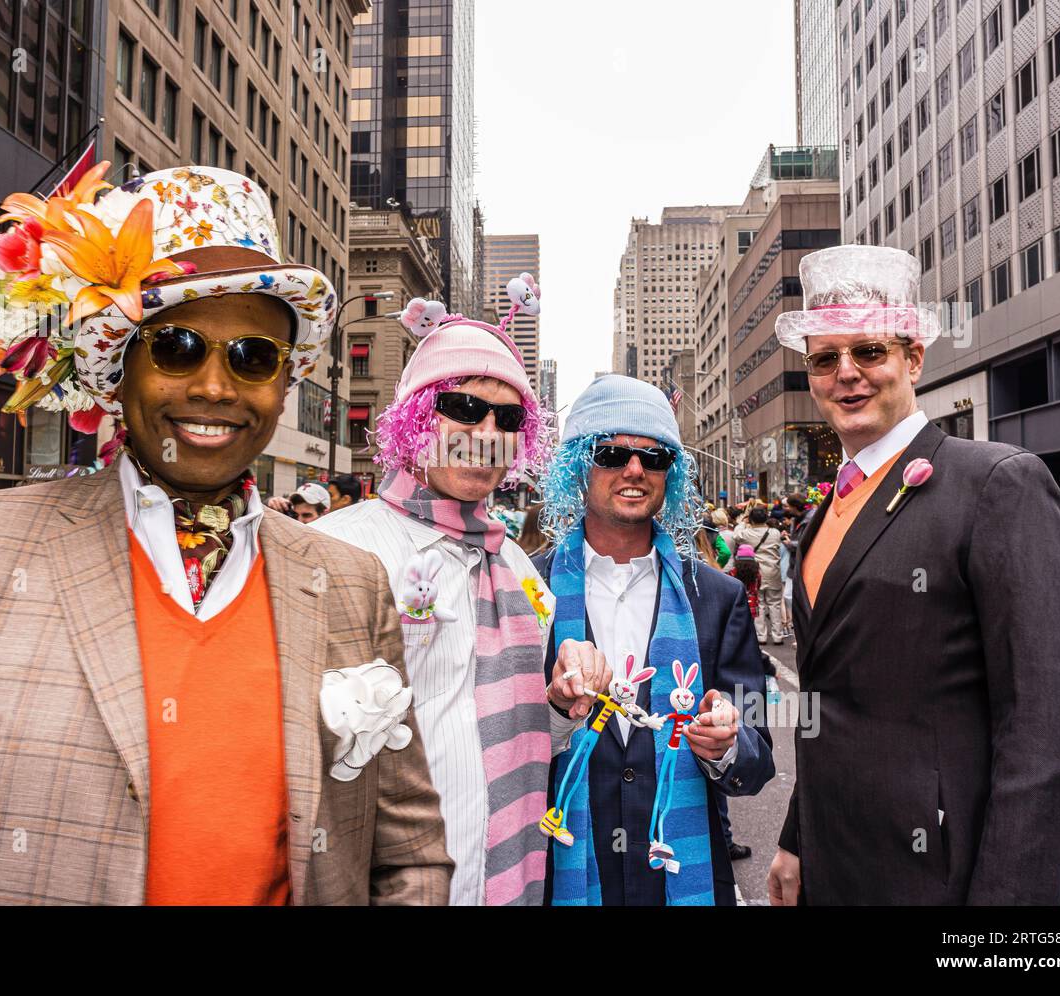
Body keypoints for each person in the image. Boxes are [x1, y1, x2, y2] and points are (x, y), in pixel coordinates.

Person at [0, 164, 451, 905]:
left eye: (253, 357)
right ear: (119, 369)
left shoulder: (352, 583)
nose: (215, 387)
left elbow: (407, 853)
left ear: (284, 385)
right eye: (178, 347)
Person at [766, 244, 1060, 905]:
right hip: (834, 870)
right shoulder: (820, 515)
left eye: (870, 352)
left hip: (942, 877)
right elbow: (830, 704)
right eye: (826, 359)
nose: (847, 374)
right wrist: (798, 837)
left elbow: (1044, 722)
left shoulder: (997, 483)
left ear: (913, 357)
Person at [315, 277, 604, 906]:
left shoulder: (520, 568)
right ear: (419, 416)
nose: (486, 430)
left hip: (516, 881)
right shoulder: (338, 551)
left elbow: (519, 728)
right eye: (465, 408)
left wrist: (566, 694)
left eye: (508, 417)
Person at [533, 374, 774, 905]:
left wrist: (728, 745)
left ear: (672, 473)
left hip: (683, 881)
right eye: (612, 453)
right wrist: (553, 706)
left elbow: (759, 760)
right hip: (561, 876)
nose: (635, 469)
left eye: (655, 456)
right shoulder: (527, 588)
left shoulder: (717, 596)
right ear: (578, 464)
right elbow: (500, 746)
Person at [733, 507, 784, 645]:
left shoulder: (746, 533)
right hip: (773, 571)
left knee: (759, 603)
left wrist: (743, 522)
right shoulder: (775, 533)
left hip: (755, 572)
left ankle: (761, 636)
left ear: (751, 519)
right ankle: (778, 635)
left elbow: (735, 535)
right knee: (775, 604)